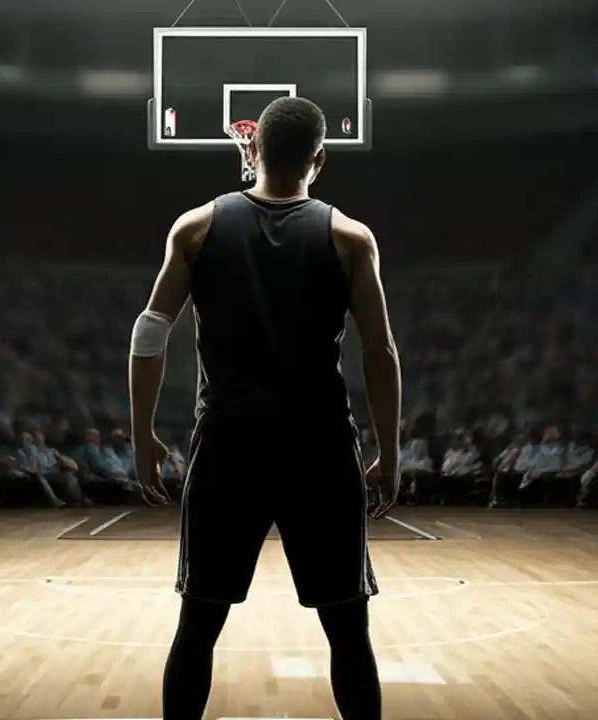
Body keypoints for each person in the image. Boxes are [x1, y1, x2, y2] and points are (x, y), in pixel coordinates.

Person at [127, 96, 400, 720]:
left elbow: (148, 332)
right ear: (320, 158)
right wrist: (390, 451)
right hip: (321, 451)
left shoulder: (195, 228)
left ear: (254, 152)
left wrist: (142, 435)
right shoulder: (351, 238)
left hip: (229, 448)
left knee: (197, 628)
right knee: (349, 634)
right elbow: (380, 350)